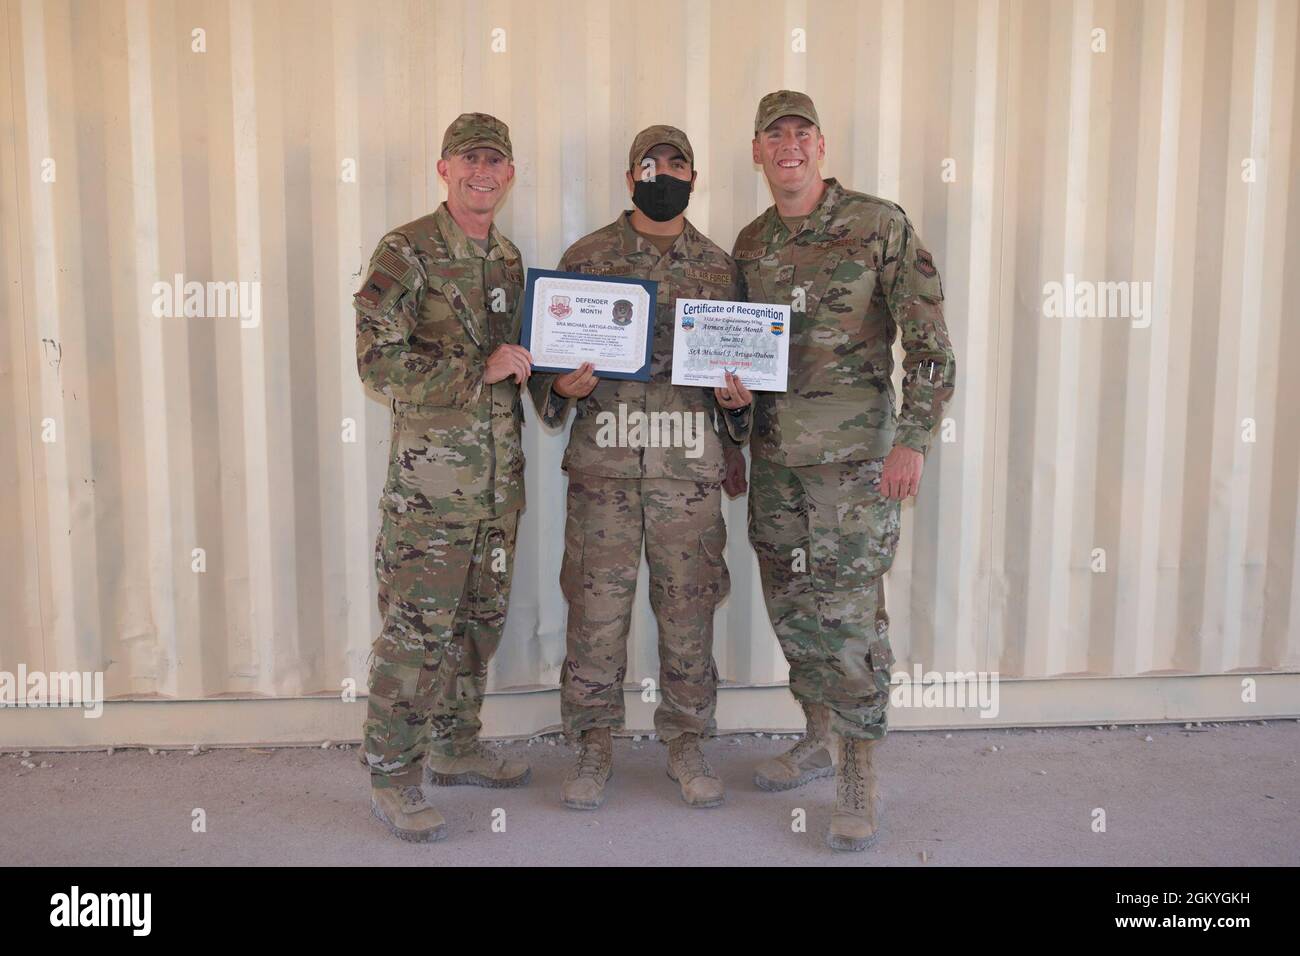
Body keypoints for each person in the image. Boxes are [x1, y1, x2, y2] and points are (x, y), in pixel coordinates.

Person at [734, 91, 956, 850]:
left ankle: (858, 770)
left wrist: (913, 440)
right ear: (757, 153)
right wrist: (733, 405)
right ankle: (818, 736)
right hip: (775, 467)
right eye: (774, 136)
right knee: (795, 607)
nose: (788, 145)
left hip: (855, 466)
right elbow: (738, 357)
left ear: (821, 146)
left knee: (851, 622)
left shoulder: (877, 224)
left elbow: (929, 347)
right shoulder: (751, 243)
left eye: (801, 133)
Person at [529, 125, 752, 810]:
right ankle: (593, 744)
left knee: (689, 614)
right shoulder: (586, 258)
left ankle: (686, 741)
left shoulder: (719, 266)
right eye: (649, 165)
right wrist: (558, 388)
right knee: (595, 615)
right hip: (607, 474)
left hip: (688, 476)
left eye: (675, 163)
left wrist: (737, 403)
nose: (663, 173)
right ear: (630, 179)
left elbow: (749, 382)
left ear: (694, 175)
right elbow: (545, 369)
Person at [354, 112, 534, 842]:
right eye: (469, 160)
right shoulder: (408, 250)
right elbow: (377, 363)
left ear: (509, 174)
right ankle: (393, 776)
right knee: (414, 637)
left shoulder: (512, 259)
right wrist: (476, 369)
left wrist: (561, 379)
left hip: (498, 489)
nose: (482, 172)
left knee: (477, 627)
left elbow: (522, 363)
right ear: (444, 169)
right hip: (431, 493)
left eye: (494, 161)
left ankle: (456, 745)